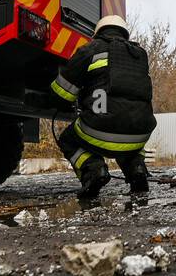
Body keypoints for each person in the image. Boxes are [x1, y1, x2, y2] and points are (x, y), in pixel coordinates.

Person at [50, 14, 157, 200]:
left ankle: (93, 169)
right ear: (125, 33)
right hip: (140, 134)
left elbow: (62, 92)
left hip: (98, 129)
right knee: (127, 138)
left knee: (68, 139)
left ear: (98, 32)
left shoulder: (89, 49)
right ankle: (136, 170)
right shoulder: (140, 55)